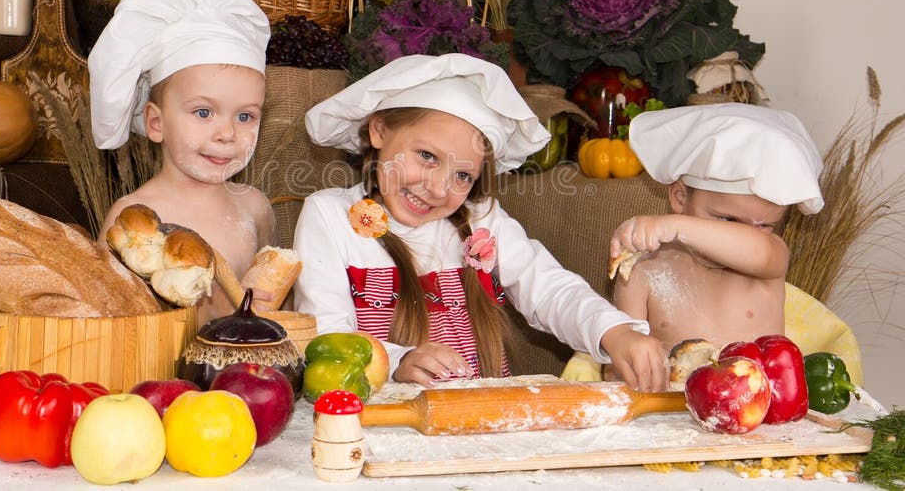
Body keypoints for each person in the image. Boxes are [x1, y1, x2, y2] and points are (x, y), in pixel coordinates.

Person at [293, 53, 667, 391]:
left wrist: (614, 331)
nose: (438, 188)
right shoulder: (329, 216)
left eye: (462, 176)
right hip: (380, 424)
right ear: (379, 131)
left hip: (478, 423)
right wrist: (398, 360)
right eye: (427, 155)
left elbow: (551, 289)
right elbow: (326, 334)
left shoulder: (482, 220)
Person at [88, 0, 275, 326]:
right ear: (156, 122)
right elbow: (106, 319)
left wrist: (267, 308)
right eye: (204, 112)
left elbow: (281, 311)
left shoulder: (255, 208)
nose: (227, 133)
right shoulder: (132, 219)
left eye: (245, 116)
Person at [611, 103, 824, 354]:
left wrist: (675, 226)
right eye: (728, 220)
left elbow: (760, 250)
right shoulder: (642, 269)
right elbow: (620, 357)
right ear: (680, 197)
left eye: (765, 225)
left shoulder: (769, 262)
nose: (746, 234)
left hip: (758, 392)